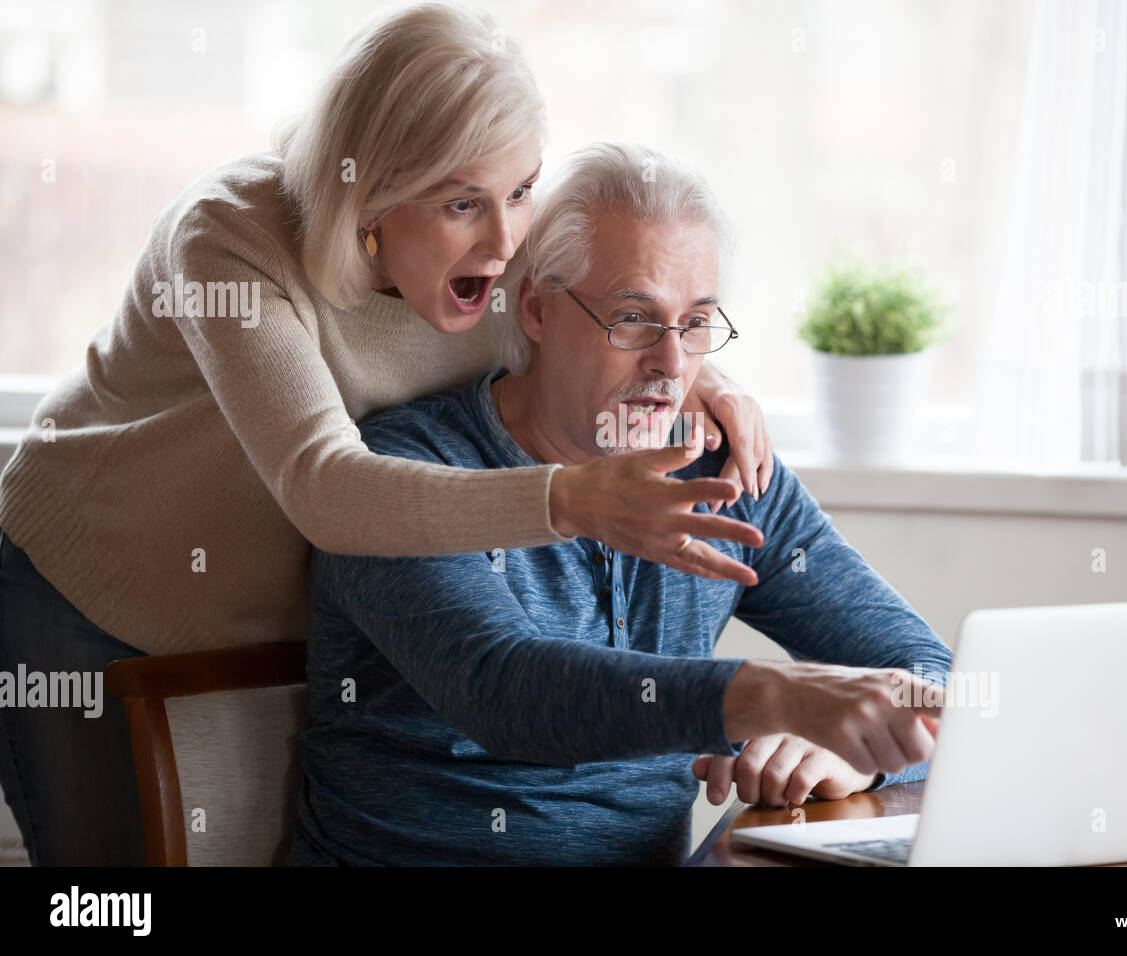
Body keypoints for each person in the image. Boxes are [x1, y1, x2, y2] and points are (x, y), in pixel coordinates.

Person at [0, 3, 772, 866]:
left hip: (279, 605)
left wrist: (704, 372)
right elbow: (327, 486)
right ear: (367, 192)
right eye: (461, 203)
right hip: (93, 590)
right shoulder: (227, 236)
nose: (508, 236)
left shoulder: (494, 238)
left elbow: (596, 296)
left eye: (522, 191)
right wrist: (572, 501)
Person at [288, 143, 952, 866]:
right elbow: (505, 691)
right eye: (633, 317)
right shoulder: (404, 474)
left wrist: (866, 755)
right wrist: (773, 695)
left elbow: (928, 676)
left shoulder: (724, 464)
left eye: (696, 323)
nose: (671, 366)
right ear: (538, 308)